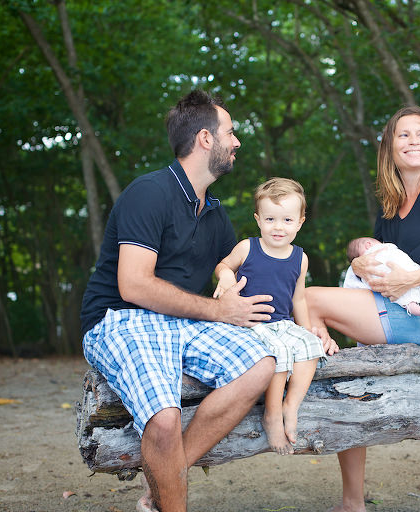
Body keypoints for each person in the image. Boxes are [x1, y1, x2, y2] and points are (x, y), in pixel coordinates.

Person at [79, 90, 276, 512]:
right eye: (230, 132)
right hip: (122, 318)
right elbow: (134, 285)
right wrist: (218, 310)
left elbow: (245, 277)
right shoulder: (149, 192)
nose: (236, 142)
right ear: (205, 139)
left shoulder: (218, 216)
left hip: (184, 323)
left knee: (261, 365)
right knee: (165, 418)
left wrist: (307, 319)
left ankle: (168, 475)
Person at [305, 105, 420, 512]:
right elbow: (377, 263)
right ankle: (353, 503)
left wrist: (412, 280)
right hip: (393, 315)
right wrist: (357, 263)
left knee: (311, 298)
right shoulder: (390, 207)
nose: (414, 141)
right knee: (347, 388)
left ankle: (313, 361)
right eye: (404, 135)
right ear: (389, 147)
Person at [214, 177, 326, 456]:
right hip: (249, 324)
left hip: (281, 322)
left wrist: (308, 328)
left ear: (300, 222)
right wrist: (227, 275)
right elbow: (223, 265)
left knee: (311, 346)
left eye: (287, 220)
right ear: (258, 219)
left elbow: (298, 297)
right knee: (279, 353)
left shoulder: (300, 257)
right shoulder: (248, 247)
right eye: (271, 219)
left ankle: (291, 405)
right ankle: (272, 414)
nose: (278, 227)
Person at [343, 236, 420, 329]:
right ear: (368, 244)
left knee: (408, 303)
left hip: (390, 282)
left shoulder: (364, 268)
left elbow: (354, 285)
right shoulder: (382, 249)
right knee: (418, 283)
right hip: (408, 270)